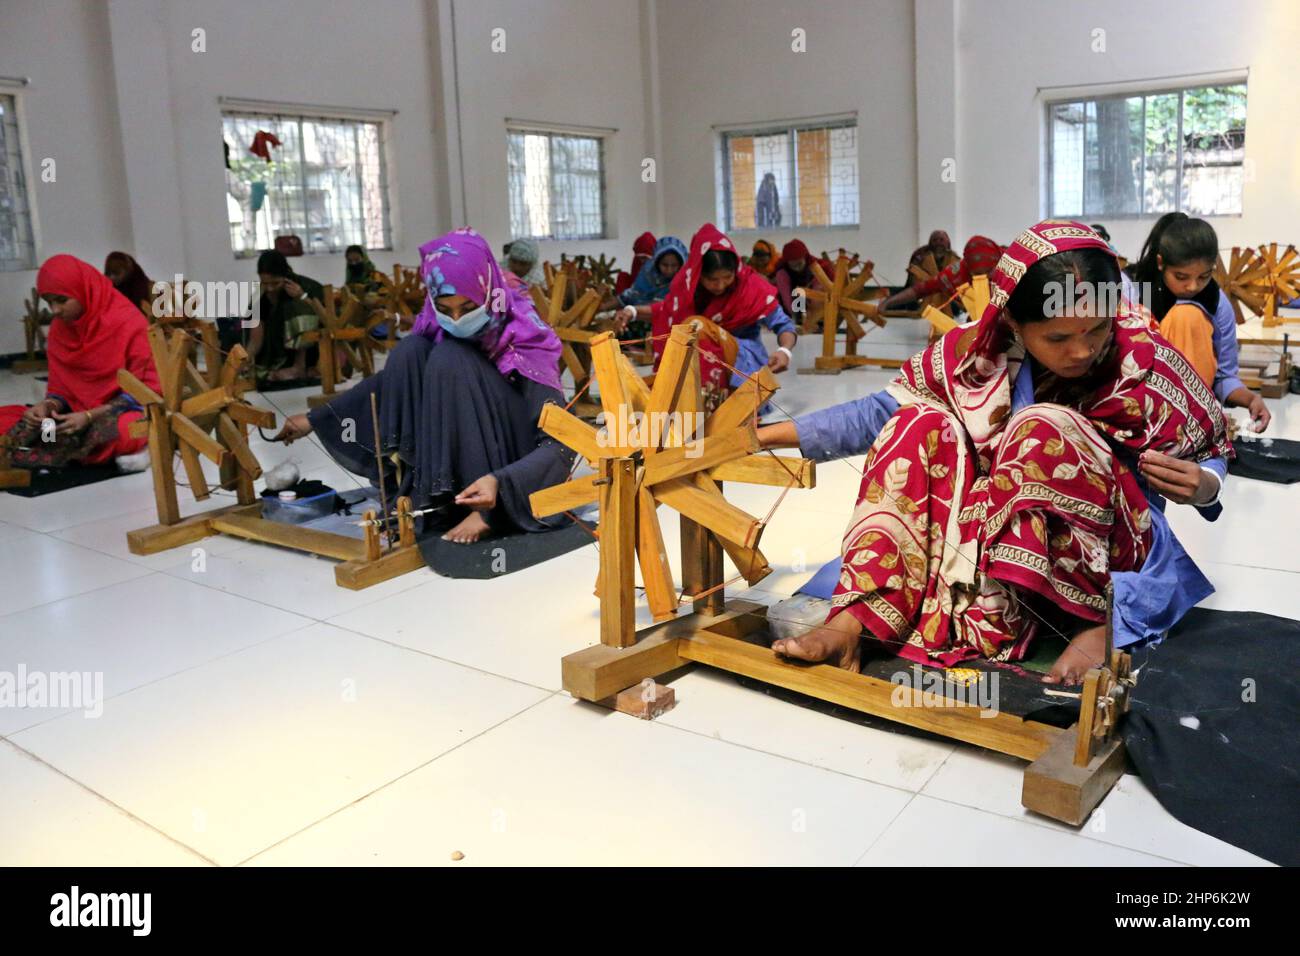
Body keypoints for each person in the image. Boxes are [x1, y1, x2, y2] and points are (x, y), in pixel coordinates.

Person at [760, 221, 1231, 685]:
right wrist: (759, 437)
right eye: (1058, 338)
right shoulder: (975, 353)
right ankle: (858, 620)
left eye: (1097, 329)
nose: (1083, 351)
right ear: (1014, 322)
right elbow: (876, 413)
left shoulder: (1142, 361)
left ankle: (1096, 622)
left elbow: (1213, 446)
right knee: (917, 421)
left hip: (1107, 552)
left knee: (1040, 426)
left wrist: (1205, 484)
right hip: (1001, 541)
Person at [272, 228, 574, 545]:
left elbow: (562, 443)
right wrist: (315, 418)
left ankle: (484, 510)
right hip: (467, 421)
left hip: (511, 456)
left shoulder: (522, 336)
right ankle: (427, 493)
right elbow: (393, 383)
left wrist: (502, 483)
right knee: (411, 350)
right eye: (445, 309)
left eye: (467, 309)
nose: (456, 320)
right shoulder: (435, 327)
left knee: (450, 356)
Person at [1, 255, 160, 471]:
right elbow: (60, 390)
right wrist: (47, 406)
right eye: (49, 302)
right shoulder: (61, 328)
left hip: (118, 413)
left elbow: (146, 392)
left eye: (61, 300)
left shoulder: (128, 322)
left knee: (125, 430)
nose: (55, 310)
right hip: (71, 417)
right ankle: (53, 450)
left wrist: (88, 416)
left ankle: (52, 453)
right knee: (27, 423)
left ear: (83, 290)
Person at [1126, 212, 1269, 432]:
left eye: (1203, 276)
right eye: (1181, 277)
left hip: (1191, 412)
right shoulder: (1132, 288)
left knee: (1188, 315)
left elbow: (1223, 376)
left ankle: (1190, 425)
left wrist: (1251, 398)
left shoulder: (1216, 302)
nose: (1193, 287)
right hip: (1138, 401)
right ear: (1161, 263)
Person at [650, 224, 797, 412]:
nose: (720, 285)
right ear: (698, 274)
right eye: (712, 280)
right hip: (699, 363)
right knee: (687, 334)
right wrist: (632, 311)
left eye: (727, 277)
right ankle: (696, 403)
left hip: (741, 362)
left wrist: (785, 350)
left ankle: (721, 405)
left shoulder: (750, 286)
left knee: (697, 326)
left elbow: (784, 325)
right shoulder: (686, 290)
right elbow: (663, 311)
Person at [245, 250, 325, 382]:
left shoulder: (305, 287)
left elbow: (324, 318)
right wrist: (245, 360)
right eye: (265, 283)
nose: (270, 288)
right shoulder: (260, 297)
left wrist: (303, 297)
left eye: (275, 283)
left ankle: (300, 367)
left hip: (313, 348)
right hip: (279, 351)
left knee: (297, 306)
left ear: (285, 276)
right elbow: (255, 338)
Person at [879, 235, 1002, 312]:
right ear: (967, 269)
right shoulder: (955, 273)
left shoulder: (1014, 265)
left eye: (988, 272)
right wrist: (888, 302)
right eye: (977, 275)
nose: (983, 279)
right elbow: (921, 289)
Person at [609, 236, 687, 343]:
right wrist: (603, 307)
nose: (669, 270)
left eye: (674, 265)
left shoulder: (685, 280)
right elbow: (631, 295)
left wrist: (634, 310)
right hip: (640, 318)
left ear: (681, 264)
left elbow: (668, 308)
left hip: (671, 326)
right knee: (617, 327)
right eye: (665, 265)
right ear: (656, 263)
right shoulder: (647, 274)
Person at [614, 232, 658, 297]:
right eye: (640, 258)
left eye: (644, 258)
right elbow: (635, 278)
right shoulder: (637, 260)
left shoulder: (658, 259)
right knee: (622, 276)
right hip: (637, 287)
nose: (642, 261)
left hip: (653, 288)